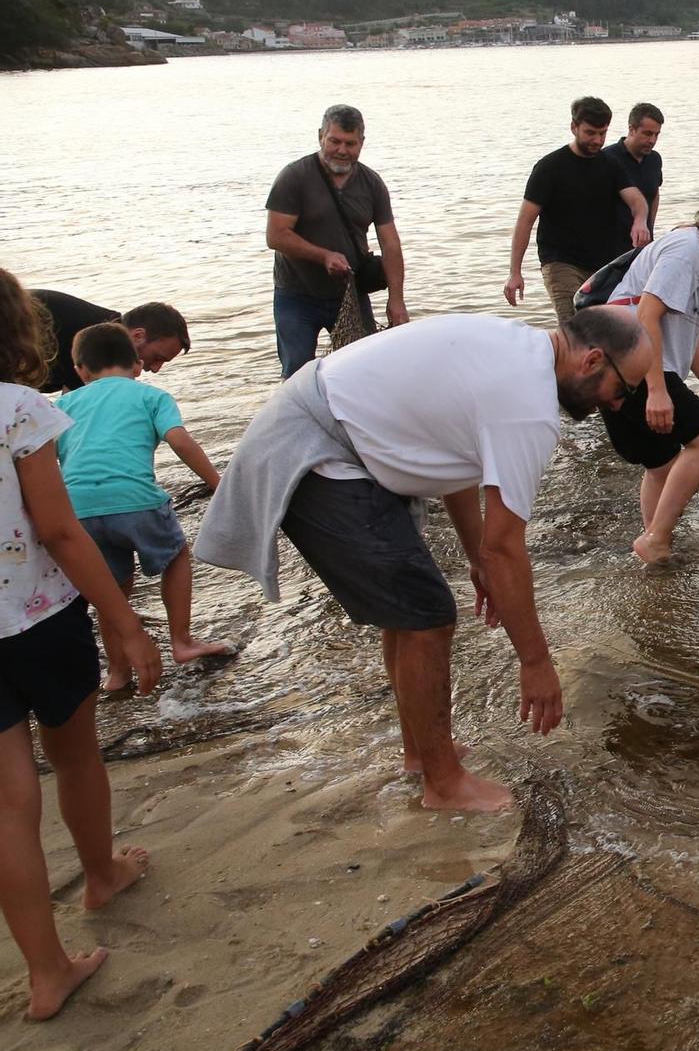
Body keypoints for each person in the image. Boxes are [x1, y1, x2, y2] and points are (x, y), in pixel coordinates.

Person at [195, 308, 650, 812]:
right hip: (319, 449)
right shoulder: (528, 405)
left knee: (412, 611)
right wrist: (536, 663)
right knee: (426, 617)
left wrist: (475, 556)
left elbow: (457, 459)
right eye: (624, 389)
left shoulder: (517, 349)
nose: (618, 404)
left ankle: (422, 755)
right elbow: (505, 547)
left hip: (330, 431)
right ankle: (444, 783)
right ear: (592, 360)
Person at [0, 267, 162, 1022]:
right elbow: (60, 531)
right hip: (39, 618)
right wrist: (125, 622)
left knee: (8, 805)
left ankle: (47, 972)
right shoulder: (19, 408)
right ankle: (101, 874)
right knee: (74, 754)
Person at [56, 322, 231, 690]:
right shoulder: (152, 397)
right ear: (135, 365)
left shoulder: (65, 404)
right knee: (177, 555)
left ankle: (118, 673)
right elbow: (179, 441)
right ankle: (181, 641)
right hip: (135, 500)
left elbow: (46, 458)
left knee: (111, 591)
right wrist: (218, 484)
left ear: (80, 370)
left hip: (79, 509)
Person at [600, 170, 699, 565]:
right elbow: (647, 317)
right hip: (632, 365)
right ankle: (657, 539)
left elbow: (687, 331)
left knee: (661, 465)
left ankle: (654, 545)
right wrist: (657, 391)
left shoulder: (698, 252)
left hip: (616, 368)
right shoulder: (685, 250)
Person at [266, 103, 410, 378]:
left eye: (350, 143)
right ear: (321, 136)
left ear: (361, 143)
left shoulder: (372, 183)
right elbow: (276, 235)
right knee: (297, 373)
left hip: (350, 294)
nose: (342, 150)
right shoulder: (294, 177)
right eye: (334, 141)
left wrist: (396, 300)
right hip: (296, 295)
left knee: (363, 370)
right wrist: (324, 256)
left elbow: (390, 243)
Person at [504, 96, 653, 327]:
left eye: (603, 133)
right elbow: (525, 221)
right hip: (561, 261)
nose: (597, 140)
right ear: (574, 127)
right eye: (590, 133)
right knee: (576, 328)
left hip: (603, 264)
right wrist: (515, 272)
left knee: (607, 331)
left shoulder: (611, 165)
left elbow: (637, 200)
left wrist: (640, 221)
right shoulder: (549, 168)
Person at [29, 291, 190, 394]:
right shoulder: (96, 344)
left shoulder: (103, 332)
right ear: (138, 336)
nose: (155, 369)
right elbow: (74, 414)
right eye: (157, 358)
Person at [603, 101, 665, 236]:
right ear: (632, 129)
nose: (652, 140)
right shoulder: (606, 159)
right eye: (647, 134)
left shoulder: (655, 159)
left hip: (643, 240)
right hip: (611, 241)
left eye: (656, 134)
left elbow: (654, 195)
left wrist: (650, 228)